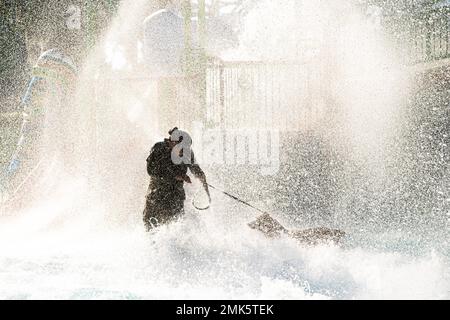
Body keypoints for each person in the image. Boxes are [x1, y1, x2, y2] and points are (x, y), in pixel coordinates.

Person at [143, 127, 210, 230]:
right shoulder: (159, 149)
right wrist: (175, 176)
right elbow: (151, 170)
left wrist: (205, 187)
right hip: (156, 196)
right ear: (172, 143)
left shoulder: (187, 153)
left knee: (175, 229)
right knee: (151, 229)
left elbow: (197, 171)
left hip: (175, 198)